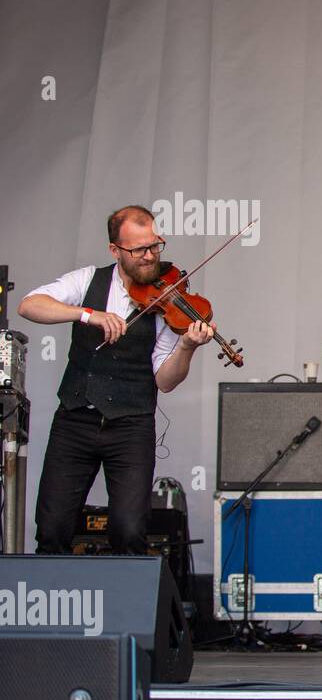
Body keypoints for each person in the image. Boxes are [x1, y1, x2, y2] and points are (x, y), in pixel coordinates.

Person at [19, 205, 214, 554]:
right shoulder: (88, 280)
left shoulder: (167, 302)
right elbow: (30, 305)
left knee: (129, 530)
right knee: (52, 528)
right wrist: (87, 314)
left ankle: (125, 606)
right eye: (138, 249)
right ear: (115, 250)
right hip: (75, 418)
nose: (150, 256)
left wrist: (186, 346)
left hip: (131, 425)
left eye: (155, 246)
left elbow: (166, 381)